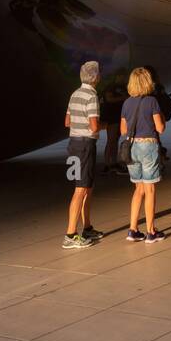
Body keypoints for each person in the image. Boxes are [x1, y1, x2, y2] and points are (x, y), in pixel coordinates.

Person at [120, 67, 166, 242]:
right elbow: (160, 128)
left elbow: (124, 130)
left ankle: (132, 229)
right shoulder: (152, 102)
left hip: (131, 147)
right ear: (148, 82)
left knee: (138, 189)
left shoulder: (126, 103)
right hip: (148, 146)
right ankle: (150, 232)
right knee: (150, 189)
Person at [62, 60, 104, 248]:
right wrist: (103, 127)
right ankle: (70, 235)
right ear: (95, 77)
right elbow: (94, 125)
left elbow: (67, 122)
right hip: (86, 145)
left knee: (85, 187)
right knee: (81, 189)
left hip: (73, 144)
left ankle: (87, 227)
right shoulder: (91, 96)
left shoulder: (74, 94)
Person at [100, 78, 128, 174]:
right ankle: (107, 163)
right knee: (111, 140)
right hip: (112, 117)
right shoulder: (111, 87)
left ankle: (113, 162)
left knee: (115, 140)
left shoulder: (123, 87)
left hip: (119, 116)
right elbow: (108, 98)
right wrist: (123, 98)